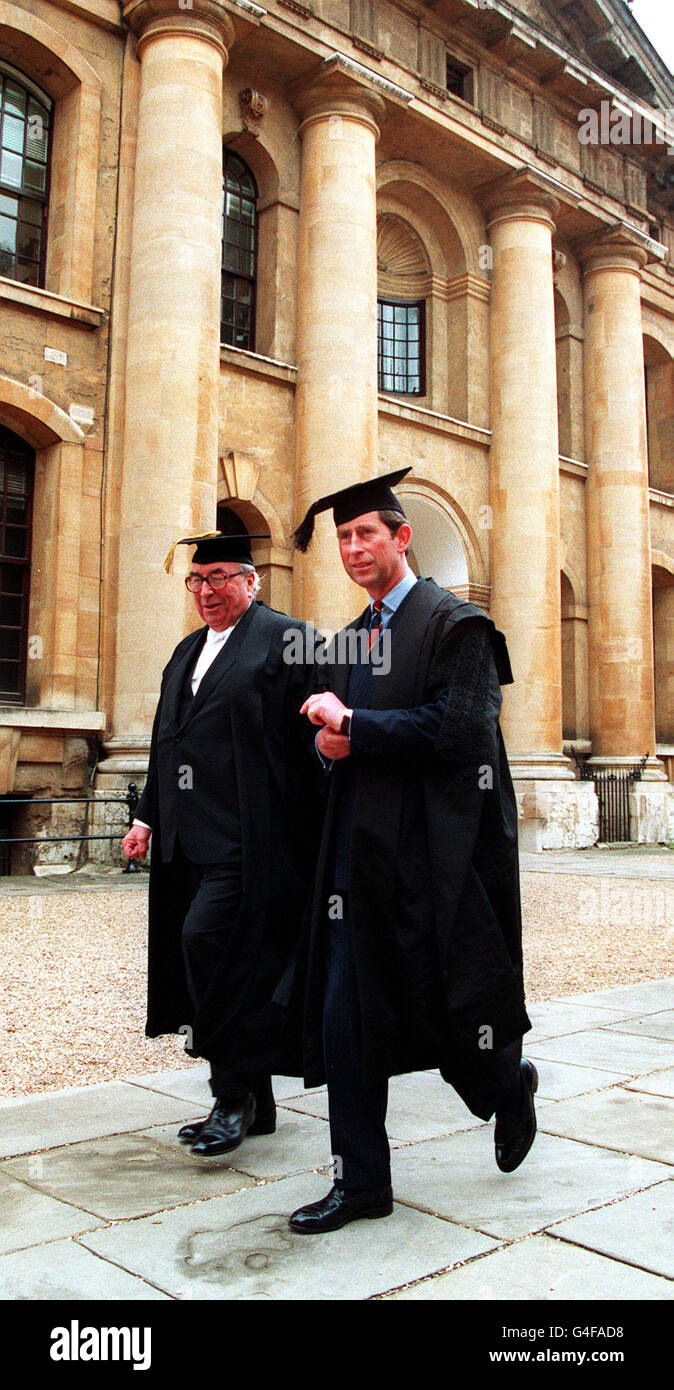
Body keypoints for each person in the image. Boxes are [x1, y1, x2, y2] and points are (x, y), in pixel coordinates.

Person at [286, 470, 536, 1233]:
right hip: (356, 857)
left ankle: (504, 1084)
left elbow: (460, 734)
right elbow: (331, 742)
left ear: (403, 538)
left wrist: (354, 724)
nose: (354, 548)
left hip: (436, 860)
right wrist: (332, 745)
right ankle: (361, 1181)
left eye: (367, 533)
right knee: (345, 1018)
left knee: (455, 1005)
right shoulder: (352, 638)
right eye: (344, 538)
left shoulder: (459, 627)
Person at [122, 532, 322, 1158]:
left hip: (251, 840)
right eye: (197, 580)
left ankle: (230, 1094)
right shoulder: (185, 651)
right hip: (185, 839)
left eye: (220, 578)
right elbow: (167, 739)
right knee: (213, 959)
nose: (207, 592)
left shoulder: (289, 639)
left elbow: (312, 741)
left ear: (251, 579)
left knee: (208, 944)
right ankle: (255, 1099)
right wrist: (148, 819)